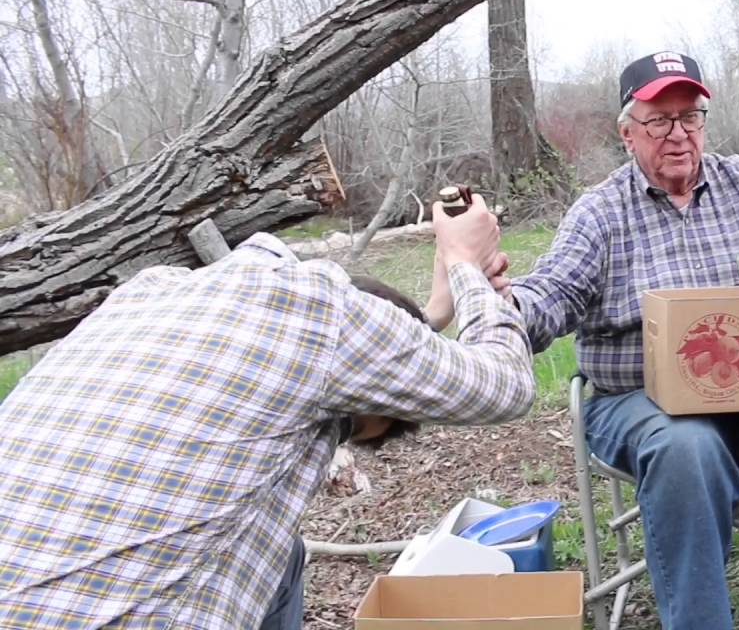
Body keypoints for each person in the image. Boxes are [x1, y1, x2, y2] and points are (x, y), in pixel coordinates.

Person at [434, 51, 739, 630]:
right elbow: (552, 296)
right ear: (627, 131)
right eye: (659, 120)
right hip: (642, 403)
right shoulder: (601, 214)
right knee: (687, 446)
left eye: (690, 116)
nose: (678, 134)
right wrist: (498, 303)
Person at [0, 196, 535, 629]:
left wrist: (432, 316)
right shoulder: (322, 312)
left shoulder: (152, 294)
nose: (340, 432)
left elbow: (343, 349)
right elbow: (506, 385)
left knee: (282, 557)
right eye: (347, 425)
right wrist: (465, 264)